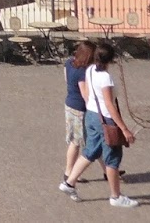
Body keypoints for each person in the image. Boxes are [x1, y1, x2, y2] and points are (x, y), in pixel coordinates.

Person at [61, 41, 137, 207]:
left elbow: (87, 94)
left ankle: (69, 182)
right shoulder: (105, 78)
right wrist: (124, 129)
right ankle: (116, 196)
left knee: (90, 151)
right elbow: (109, 105)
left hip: (91, 115)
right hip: (105, 118)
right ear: (111, 60)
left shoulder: (88, 70)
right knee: (112, 158)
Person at [62, 41, 96, 183]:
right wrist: (93, 106)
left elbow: (66, 78)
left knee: (91, 140)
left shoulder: (69, 62)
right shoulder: (82, 72)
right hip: (79, 109)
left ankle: (109, 171)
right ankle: (69, 172)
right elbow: (84, 94)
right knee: (76, 142)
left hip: (69, 103)